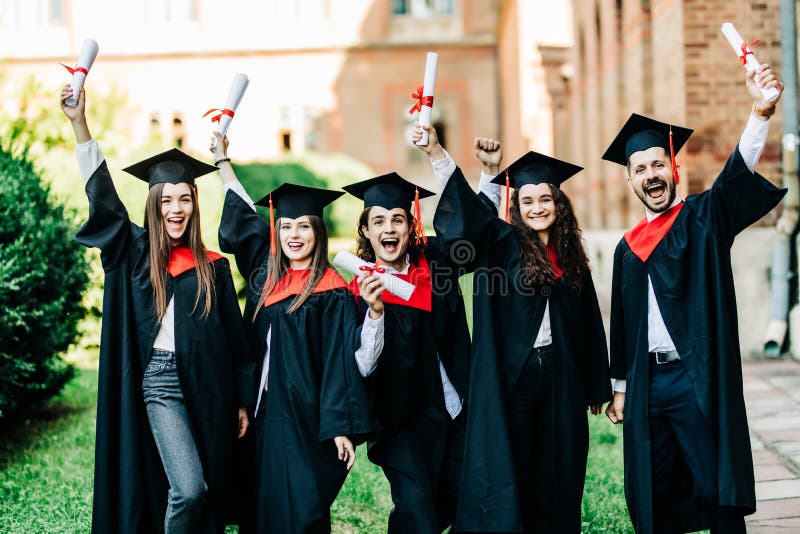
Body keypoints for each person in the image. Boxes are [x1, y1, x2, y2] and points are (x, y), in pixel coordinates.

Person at [61, 87, 255, 534]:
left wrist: (242, 400)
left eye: (184, 198)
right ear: (153, 203)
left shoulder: (213, 268)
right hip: (160, 382)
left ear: (194, 203)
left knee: (209, 482)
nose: (176, 208)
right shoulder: (135, 253)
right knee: (190, 489)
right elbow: (104, 201)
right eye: (166, 199)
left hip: (210, 385)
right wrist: (79, 124)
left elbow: (235, 339)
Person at [602, 64, 785, 533]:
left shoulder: (703, 219)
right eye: (640, 169)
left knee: (713, 483)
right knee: (654, 488)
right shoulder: (627, 247)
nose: (651, 175)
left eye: (658, 164)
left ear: (674, 168)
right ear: (630, 181)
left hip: (693, 378)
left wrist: (761, 110)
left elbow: (736, 173)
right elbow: (622, 324)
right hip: (646, 386)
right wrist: (621, 387)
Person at [417, 124, 612, 532]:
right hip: (515, 382)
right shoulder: (501, 245)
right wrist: (443, 156)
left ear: (559, 203)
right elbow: (470, 226)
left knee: (561, 467)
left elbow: (588, 321)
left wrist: (597, 386)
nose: (538, 207)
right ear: (516, 206)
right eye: (528, 200)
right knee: (518, 468)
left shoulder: (570, 253)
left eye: (546, 198)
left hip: (562, 379)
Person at [212, 133, 377, 533]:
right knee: (261, 504)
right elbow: (244, 220)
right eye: (286, 226)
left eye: (304, 226)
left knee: (303, 510)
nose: (294, 235)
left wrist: (339, 426)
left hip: (308, 418)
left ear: (318, 231)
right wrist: (223, 163)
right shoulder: (265, 276)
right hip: (263, 414)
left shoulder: (333, 292)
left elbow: (342, 361)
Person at [341, 170, 472, 533]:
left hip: (455, 411)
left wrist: (480, 172)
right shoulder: (358, 290)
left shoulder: (437, 265)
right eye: (378, 221)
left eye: (397, 219)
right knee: (417, 509)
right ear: (366, 230)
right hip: (400, 422)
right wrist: (375, 311)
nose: (389, 229)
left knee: (464, 499)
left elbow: (474, 231)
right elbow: (363, 366)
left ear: (410, 225)